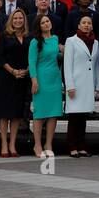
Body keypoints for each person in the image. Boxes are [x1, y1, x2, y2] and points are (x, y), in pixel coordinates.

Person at [62, 14, 99, 157]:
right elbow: (67, 65)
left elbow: (96, 65)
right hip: (76, 85)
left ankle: (81, 145)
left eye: (89, 23)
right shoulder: (71, 41)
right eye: (83, 23)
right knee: (74, 117)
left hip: (88, 85)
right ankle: (72, 145)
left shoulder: (95, 42)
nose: (86, 25)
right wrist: (69, 86)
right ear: (78, 26)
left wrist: (98, 86)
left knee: (83, 116)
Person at [0, 10, 30, 158]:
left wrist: (26, 70)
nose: (18, 20)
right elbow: (0, 57)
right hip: (7, 77)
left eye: (20, 18)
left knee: (16, 113)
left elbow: (32, 56)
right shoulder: (4, 36)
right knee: (5, 113)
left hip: (23, 78)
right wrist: (13, 71)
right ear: (11, 20)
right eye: (15, 18)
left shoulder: (29, 37)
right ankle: (4, 143)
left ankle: (12, 144)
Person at [28, 14, 63, 157]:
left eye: (47, 21)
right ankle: (37, 144)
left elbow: (58, 56)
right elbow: (32, 62)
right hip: (41, 78)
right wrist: (34, 80)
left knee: (53, 113)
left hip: (55, 78)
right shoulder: (35, 42)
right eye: (43, 22)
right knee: (40, 114)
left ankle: (48, 143)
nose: (46, 24)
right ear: (39, 26)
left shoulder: (55, 39)